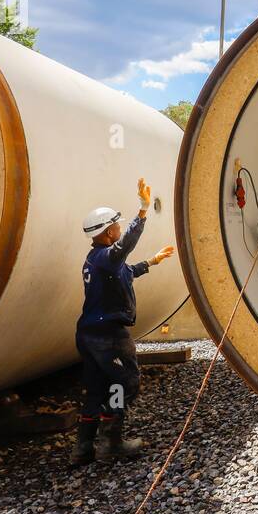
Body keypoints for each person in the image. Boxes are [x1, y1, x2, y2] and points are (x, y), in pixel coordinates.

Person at [71, 177, 175, 465]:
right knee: (124, 383)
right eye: (116, 225)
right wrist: (142, 211)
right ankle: (111, 442)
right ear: (107, 233)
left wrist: (153, 261)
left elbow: (127, 271)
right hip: (109, 337)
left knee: (95, 387)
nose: (119, 227)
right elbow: (125, 247)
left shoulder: (96, 259)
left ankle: (83, 449)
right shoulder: (107, 257)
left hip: (89, 334)